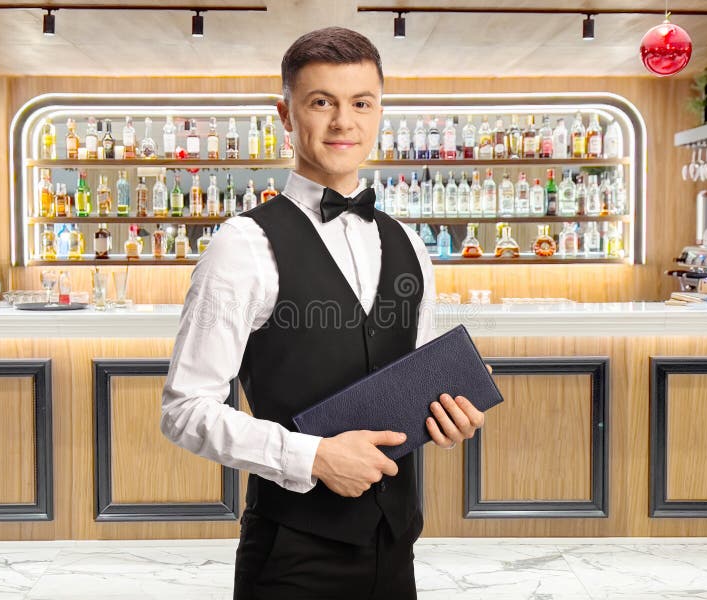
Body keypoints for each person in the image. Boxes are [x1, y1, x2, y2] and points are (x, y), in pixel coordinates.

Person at [161, 26, 485, 600]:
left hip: (398, 543)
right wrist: (312, 456)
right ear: (285, 116)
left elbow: (415, 384)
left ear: (380, 110)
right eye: (321, 103)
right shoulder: (242, 243)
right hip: (292, 554)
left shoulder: (408, 242)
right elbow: (185, 410)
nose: (344, 122)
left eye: (361, 103)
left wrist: (445, 418)